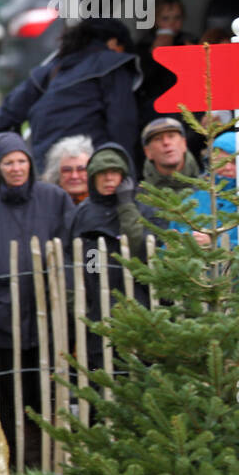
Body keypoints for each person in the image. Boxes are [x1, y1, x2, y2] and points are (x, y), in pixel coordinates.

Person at [0, 132, 73, 468]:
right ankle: (16, 466)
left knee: (48, 393)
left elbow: (70, 249)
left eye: (21, 161)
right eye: (8, 163)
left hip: (47, 311)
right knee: (10, 395)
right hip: (4, 317)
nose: (16, 168)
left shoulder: (55, 198)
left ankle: (53, 464)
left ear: (30, 162)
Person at [0, 17, 140, 172]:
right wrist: (127, 170)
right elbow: (121, 121)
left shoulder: (52, 70)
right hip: (89, 168)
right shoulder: (112, 63)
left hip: (45, 168)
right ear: (113, 43)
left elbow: (3, 117)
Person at [66, 142, 153, 344]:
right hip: (95, 310)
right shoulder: (79, 215)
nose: (108, 178)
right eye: (102, 172)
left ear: (125, 175)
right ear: (92, 177)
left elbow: (138, 249)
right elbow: (67, 260)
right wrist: (79, 308)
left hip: (139, 308)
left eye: (115, 172)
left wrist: (126, 204)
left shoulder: (144, 210)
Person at [134, 0, 199, 128]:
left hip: (185, 102)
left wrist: (194, 55)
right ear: (154, 20)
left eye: (177, 18)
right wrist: (153, 53)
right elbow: (140, 80)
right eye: (165, 19)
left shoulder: (188, 41)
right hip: (155, 104)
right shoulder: (144, 45)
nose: (171, 23)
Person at [173, 132, 239, 250]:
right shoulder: (191, 202)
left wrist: (214, 245)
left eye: (235, 162)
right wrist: (171, 247)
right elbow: (165, 251)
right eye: (222, 162)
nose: (228, 167)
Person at [139, 116, 202, 192]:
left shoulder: (210, 189)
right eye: (158, 139)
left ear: (184, 144)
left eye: (171, 136)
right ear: (147, 152)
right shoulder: (138, 197)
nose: (166, 142)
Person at [41, 135, 93, 205]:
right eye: (67, 170)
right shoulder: (44, 204)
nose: (74, 176)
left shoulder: (105, 205)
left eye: (81, 169)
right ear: (56, 175)